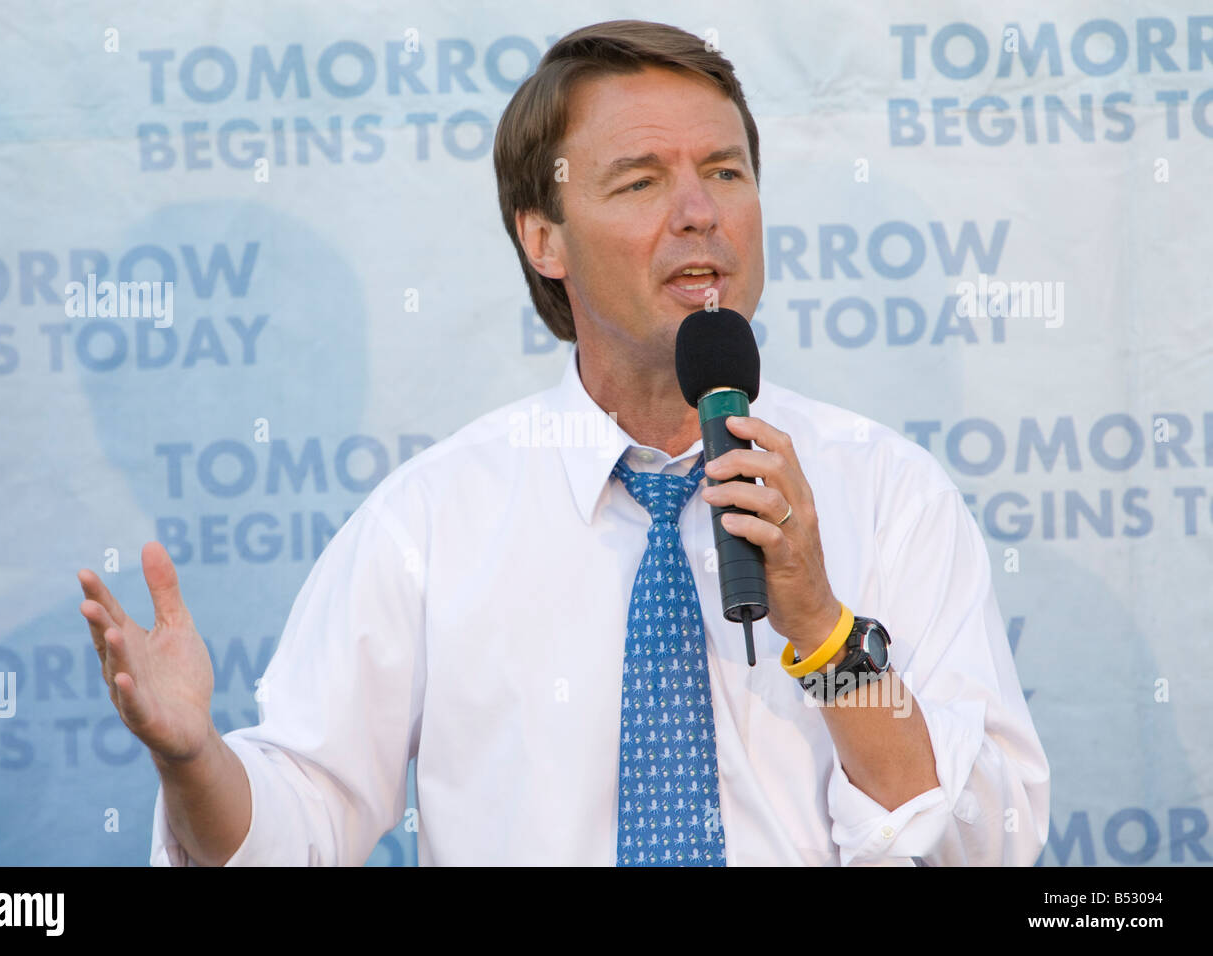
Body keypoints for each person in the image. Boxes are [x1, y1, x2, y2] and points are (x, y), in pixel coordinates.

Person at [77, 19, 1049, 866]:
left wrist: (829, 634)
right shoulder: (434, 518)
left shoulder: (889, 490)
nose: (700, 210)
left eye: (725, 171)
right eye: (639, 180)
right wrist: (192, 757)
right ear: (543, 237)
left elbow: (990, 841)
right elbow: (298, 823)